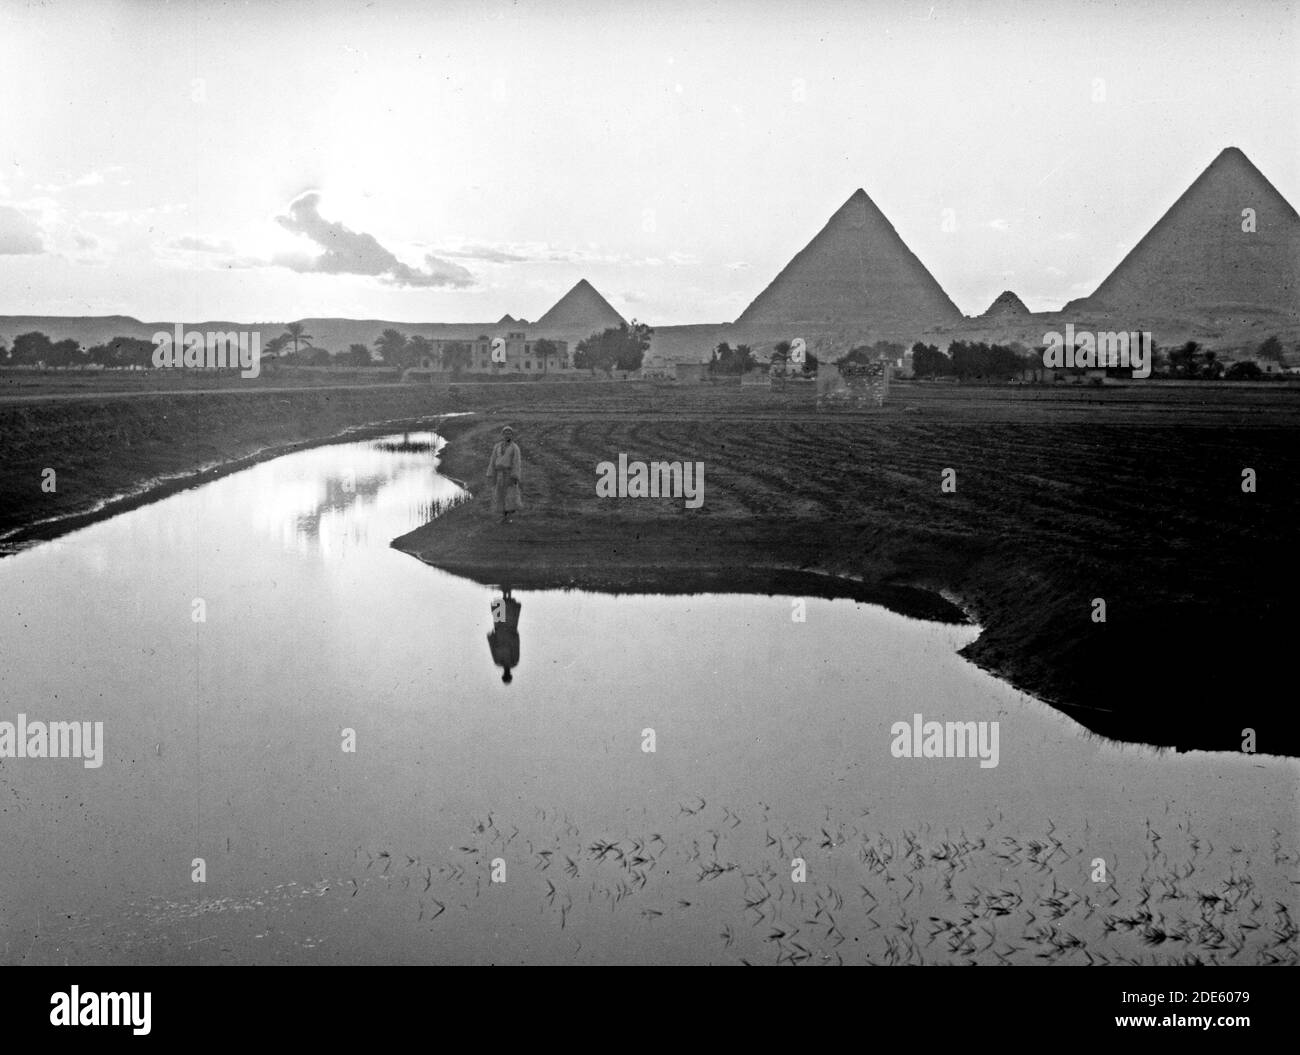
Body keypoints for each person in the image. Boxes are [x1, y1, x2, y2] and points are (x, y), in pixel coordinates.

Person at [485, 425, 523, 524]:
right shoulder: (497, 446)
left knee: (510, 495)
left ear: (512, 435)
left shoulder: (515, 448)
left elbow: (517, 463)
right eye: (505, 433)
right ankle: (503, 516)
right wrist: (491, 473)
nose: (507, 435)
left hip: (509, 474)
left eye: (509, 433)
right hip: (499, 475)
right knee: (500, 495)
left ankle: (509, 517)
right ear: (502, 435)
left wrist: (514, 476)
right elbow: (493, 460)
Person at [487, 589, 521, 683]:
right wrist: (516, 636)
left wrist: (491, 637)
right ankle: (506, 591)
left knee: (503, 608)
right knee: (508, 611)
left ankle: (506, 591)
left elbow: (493, 647)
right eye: (508, 675)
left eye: (505, 675)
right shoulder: (513, 662)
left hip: (501, 631)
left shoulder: (498, 661)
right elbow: (516, 647)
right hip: (508, 631)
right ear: (510, 674)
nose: (506, 673)